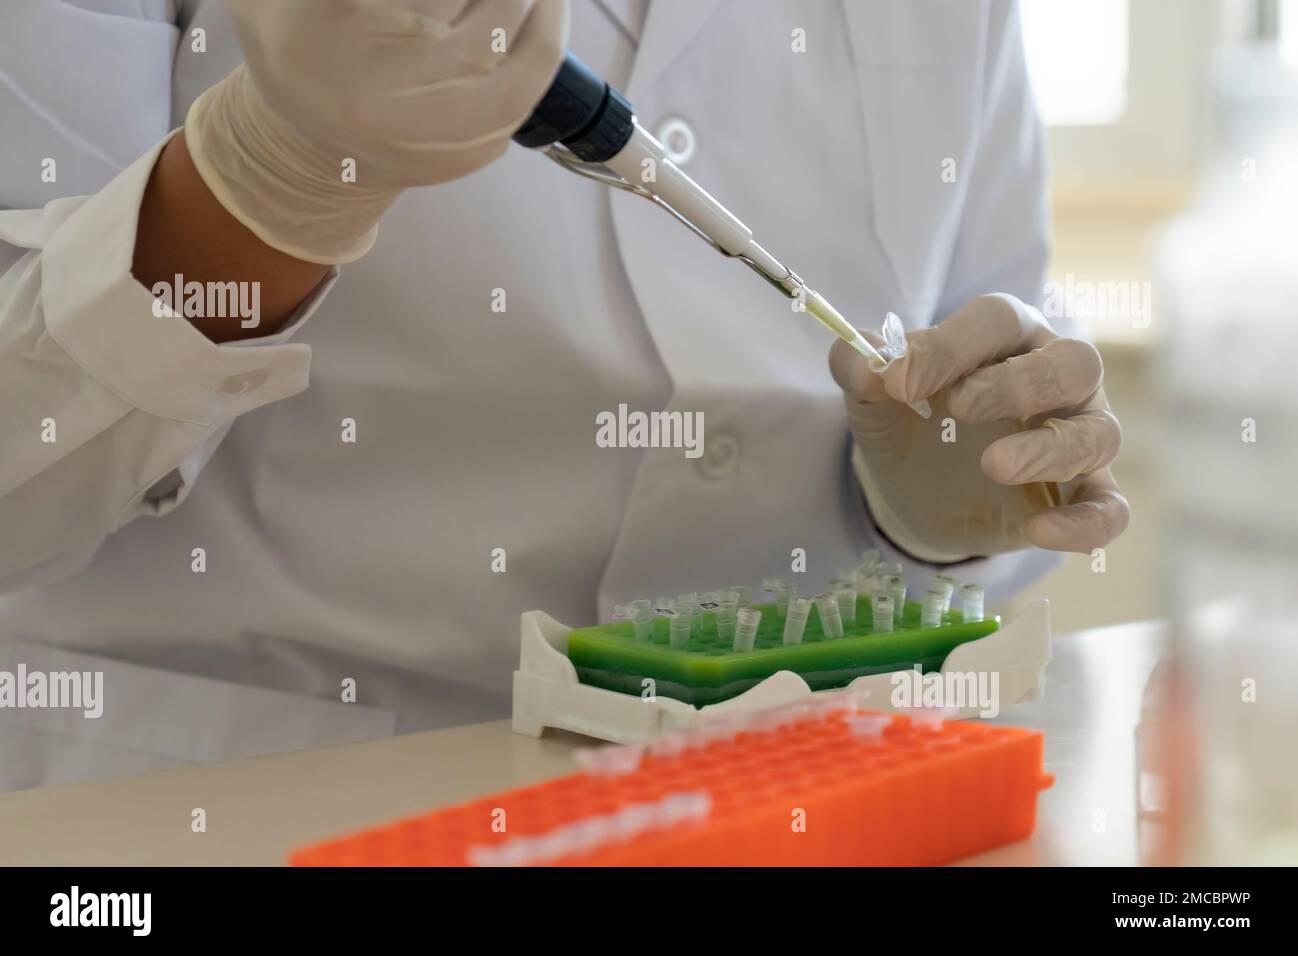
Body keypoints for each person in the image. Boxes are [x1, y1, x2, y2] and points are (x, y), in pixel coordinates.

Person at [0, 0, 1127, 790]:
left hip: (786, 788)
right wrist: (269, 178)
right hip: (253, 788)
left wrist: (938, 505)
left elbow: (986, 342)